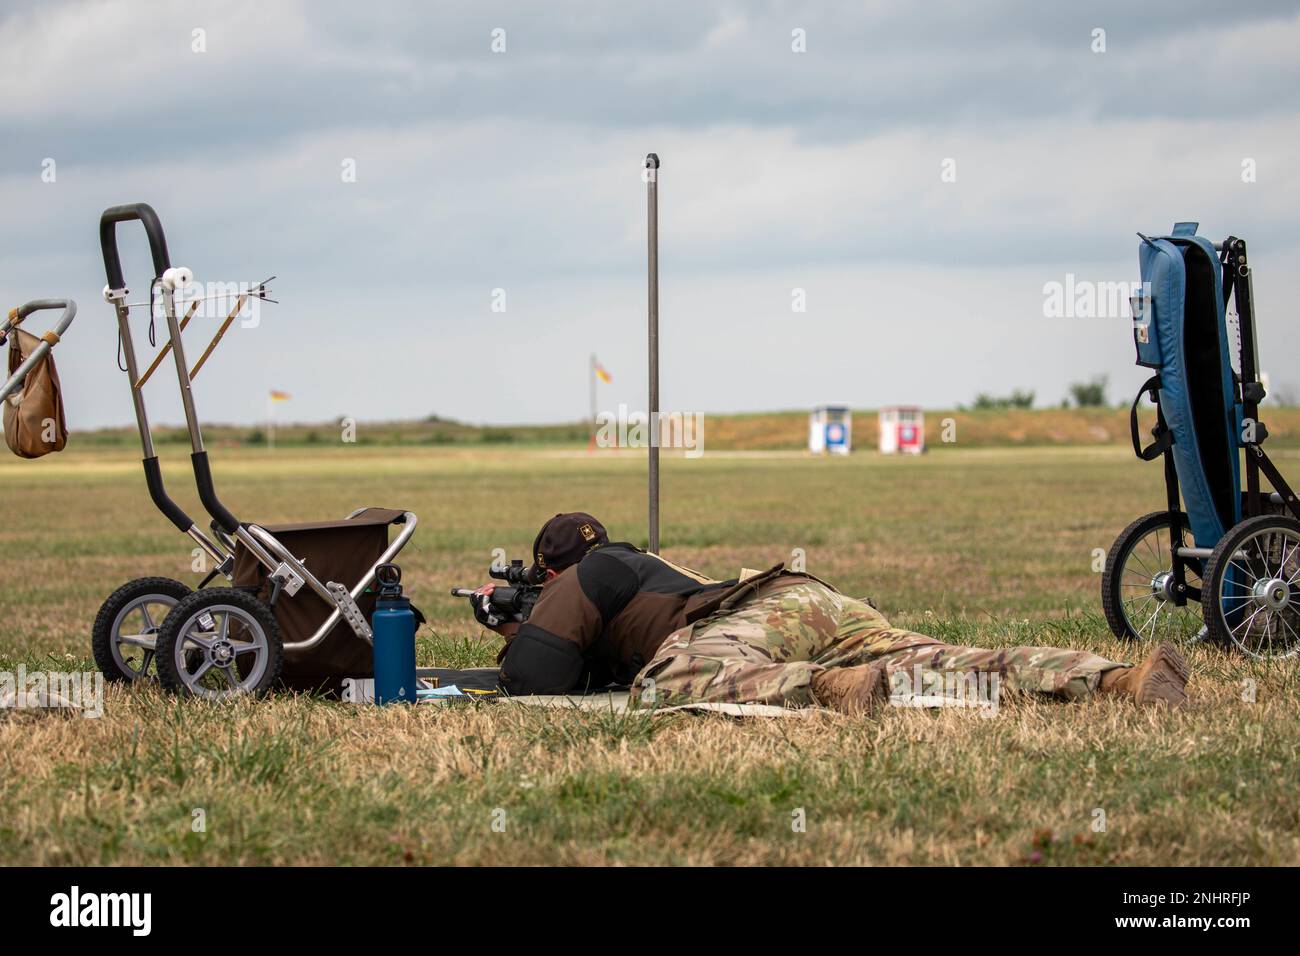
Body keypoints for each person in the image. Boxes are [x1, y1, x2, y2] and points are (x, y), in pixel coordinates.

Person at [467, 513, 1190, 713]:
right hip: (815, 599)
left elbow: (534, 678)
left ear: (550, 572)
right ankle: (1118, 679)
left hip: (759, 619)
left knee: (668, 681)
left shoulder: (586, 576)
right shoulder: (631, 565)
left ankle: (822, 687)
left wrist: (513, 631)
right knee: (935, 665)